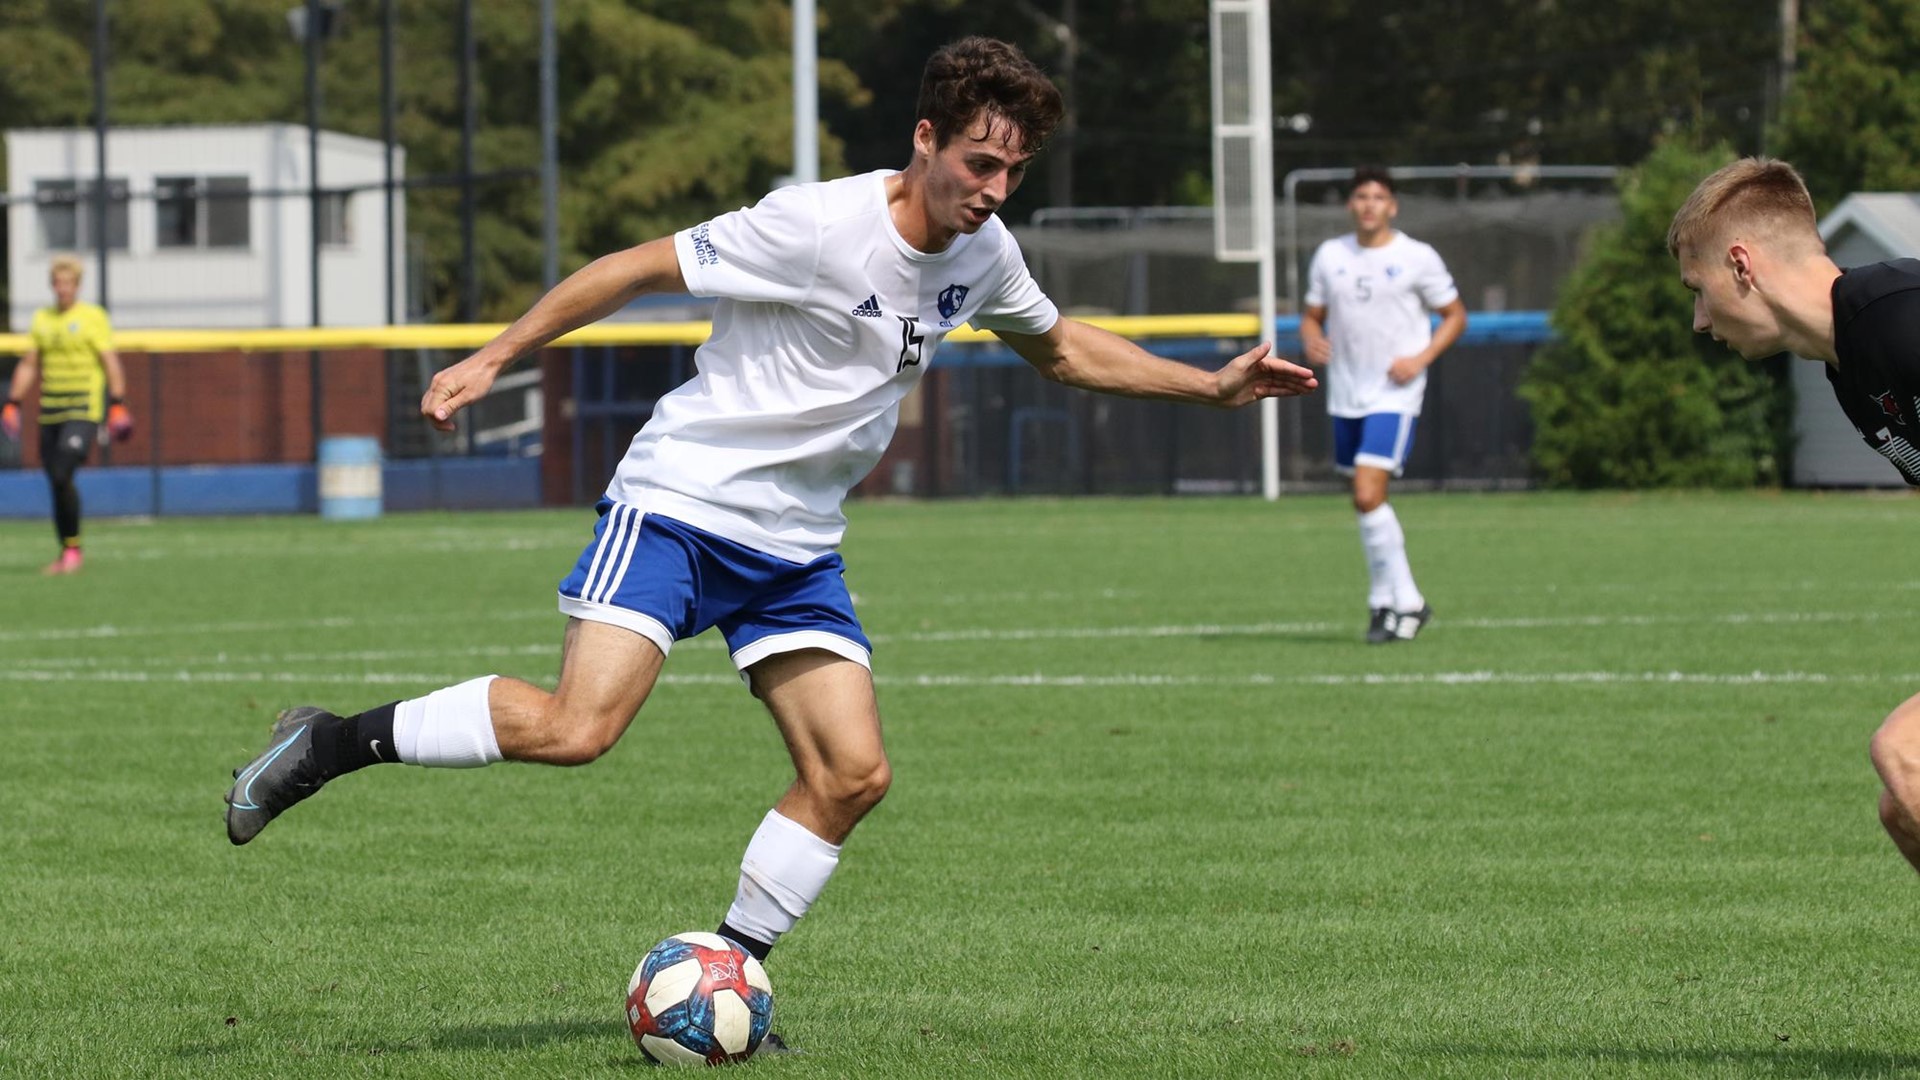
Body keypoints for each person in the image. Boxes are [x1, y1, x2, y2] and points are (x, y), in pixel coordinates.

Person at [224, 34, 1317, 1008]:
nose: (994, 190)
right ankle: (328, 742)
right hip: (683, 505)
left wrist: (1211, 389)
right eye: (980, 163)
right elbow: (634, 268)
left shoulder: (985, 257)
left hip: (795, 548)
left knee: (853, 775)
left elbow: (1067, 348)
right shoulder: (816, 224)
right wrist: (495, 355)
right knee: (578, 729)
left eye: (1014, 172)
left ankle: (728, 974)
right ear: (924, 139)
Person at [1668, 156, 1920, 874]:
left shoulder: (1902, 318)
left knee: (1904, 753)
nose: (1699, 319)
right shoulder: (1852, 370)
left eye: (1699, 289)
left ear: (1741, 264)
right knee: (1904, 804)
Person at [1299, 167, 1467, 644]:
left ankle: (1409, 601)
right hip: (1346, 393)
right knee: (1367, 502)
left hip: (1394, 394)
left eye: (1378, 196)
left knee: (1367, 494)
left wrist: (1421, 358)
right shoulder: (1330, 256)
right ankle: (1382, 603)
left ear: (1392, 206)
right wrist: (1311, 339)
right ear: (1351, 205)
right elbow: (1312, 317)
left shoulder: (1417, 257)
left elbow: (1455, 316)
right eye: (1361, 196)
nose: (1369, 204)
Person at [2, 254, 133, 575]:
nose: (62, 289)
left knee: (62, 471)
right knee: (57, 482)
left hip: (83, 408)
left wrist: (117, 402)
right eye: (58, 283)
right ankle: (69, 550)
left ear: (77, 286)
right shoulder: (43, 320)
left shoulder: (92, 317)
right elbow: (31, 364)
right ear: (52, 285)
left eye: (68, 283)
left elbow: (110, 361)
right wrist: (13, 402)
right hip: (51, 411)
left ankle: (72, 552)